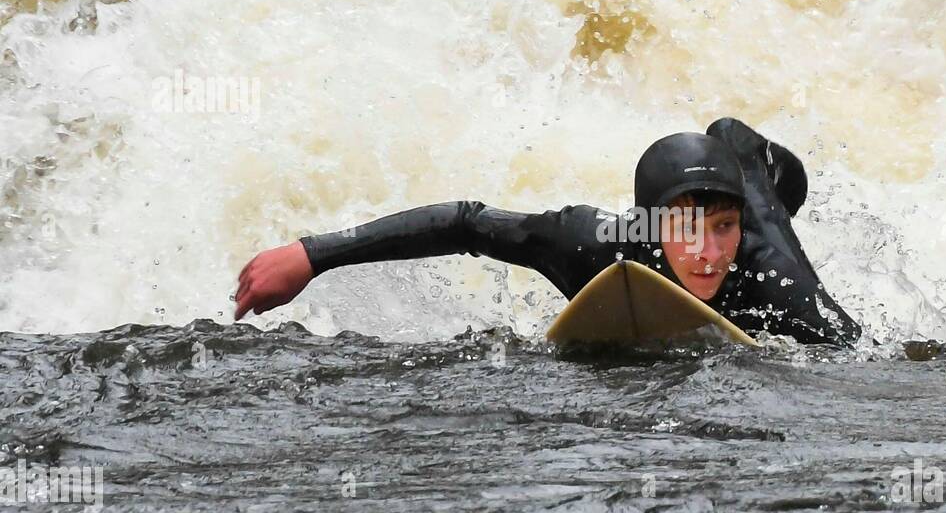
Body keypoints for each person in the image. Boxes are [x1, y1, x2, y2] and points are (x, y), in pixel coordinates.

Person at [234, 117, 862, 345]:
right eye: (686, 228)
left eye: (722, 230)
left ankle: (733, 142)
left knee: (747, 156)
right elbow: (467, 223)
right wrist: (309, 256)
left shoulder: (774, 280)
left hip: (763, 175)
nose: (708, 251)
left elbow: (860, 361)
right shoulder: (593, 242)